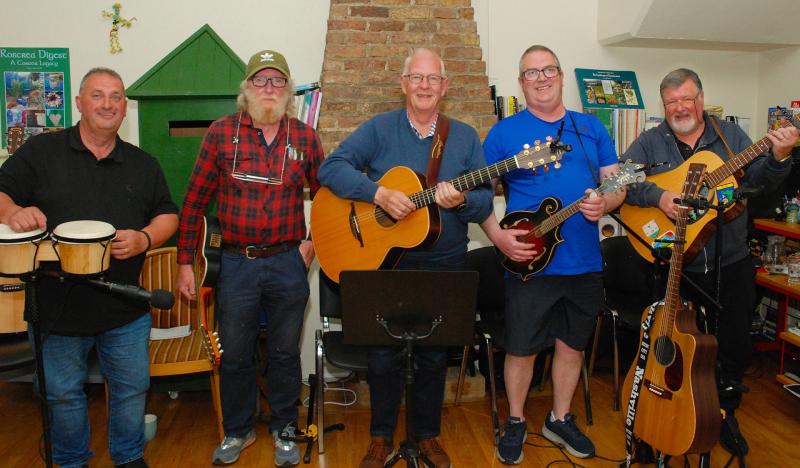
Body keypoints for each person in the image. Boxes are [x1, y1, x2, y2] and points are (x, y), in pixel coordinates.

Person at [317, 48, 494, 468]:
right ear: (403, 84)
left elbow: (485, 200)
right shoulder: (379, 130)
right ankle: (380, 437)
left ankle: (427, 436)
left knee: (434, 355)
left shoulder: (465, 136)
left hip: (445, 262)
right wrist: (376, 193)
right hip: (386, 265)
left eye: (433, 79)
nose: (425, 86)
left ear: (445, 87)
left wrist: (461, 200)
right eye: (417, 78)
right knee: (382, 354)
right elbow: (331, 168)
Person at [0, 67, 179, 468]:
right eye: (98, 95)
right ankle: (69, 462)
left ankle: (130, 458)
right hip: (56, 308)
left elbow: (169, 214)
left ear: (125, 109)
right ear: (79, 103)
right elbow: (1, 191)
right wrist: (13, 210)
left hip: (124, 308)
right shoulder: (40, 152)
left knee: (132, 390)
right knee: (62, 395)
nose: (108, 104)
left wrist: (145, 238)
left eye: (116, 97)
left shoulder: (142, 164)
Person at [622, 68, 799, 456]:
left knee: (732, 342)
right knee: (663, 341)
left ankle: (723, 413)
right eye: (672, 102)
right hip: (670, 261)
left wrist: (780, 156)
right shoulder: (649, 142)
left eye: (687, 99)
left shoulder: (730, 137)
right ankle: (654, 415)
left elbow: (762, 182)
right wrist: (658, 198)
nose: (680, 107)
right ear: (663, 105)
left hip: (728, 258)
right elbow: (620, 180)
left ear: (701, 99)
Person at [175, 50, 324, 467]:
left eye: (277, 81)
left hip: (287, 263)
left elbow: (328, 200)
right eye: (261, 81)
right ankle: (237, 431)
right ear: (246, 89)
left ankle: (283, 429)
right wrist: (185, 261)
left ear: (289, 90)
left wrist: (310, 247)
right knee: (236, 354)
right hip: (236, 265)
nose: (269, 88)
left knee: (283, 353)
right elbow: (193, 201)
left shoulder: (306, 138)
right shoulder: (222, 134)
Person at [480, 45, 625, 464]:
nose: (541, 78)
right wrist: (497, 237)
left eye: (548, 70)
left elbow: (617, 185)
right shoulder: (504, 134)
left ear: (561, 76)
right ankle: (516, 420)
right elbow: (478, 196)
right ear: (521, 82)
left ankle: (560, 418)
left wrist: (607, 204)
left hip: (583, 262)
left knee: (571, 345)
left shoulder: (591, 127)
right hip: (529, 260)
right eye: (531, 73)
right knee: (522, 347)